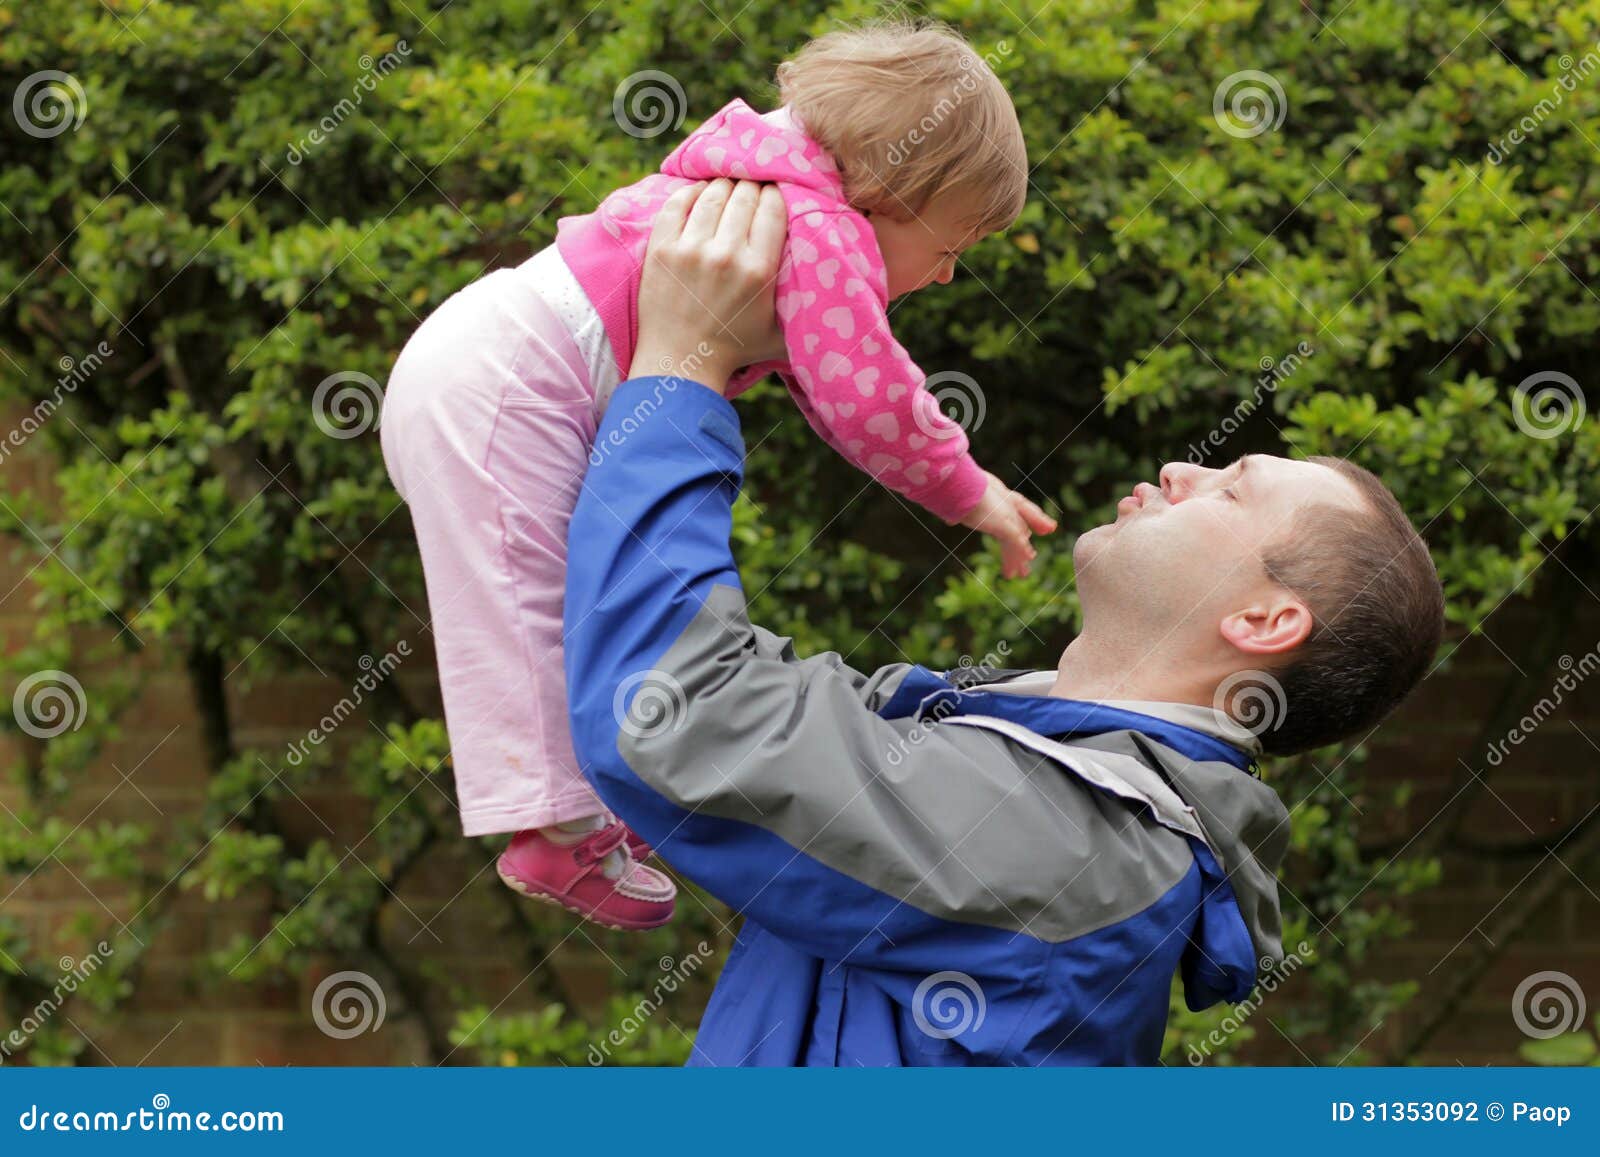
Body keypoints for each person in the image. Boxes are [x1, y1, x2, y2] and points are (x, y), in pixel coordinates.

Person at [560, 181, 1446, 1065]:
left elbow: (677, 718)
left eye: (1234, 487)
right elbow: (727, 694)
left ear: (1263, 619)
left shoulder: (1081, 844)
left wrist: (682, 367)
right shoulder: (999, 752)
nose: (1183, 468)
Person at [378, 22, 1052, 931]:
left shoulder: (778, 179)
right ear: (897, 187)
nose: (948, 272)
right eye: (954, 238)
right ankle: (552, 825)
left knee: (593, 591)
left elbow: (827, 383)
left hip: (492, 366)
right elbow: (871, 401)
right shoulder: (822, 224)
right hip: (506, 385)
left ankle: (603, 803)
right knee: (523, 601)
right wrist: (970, 491)